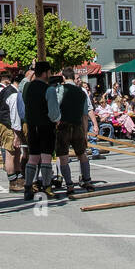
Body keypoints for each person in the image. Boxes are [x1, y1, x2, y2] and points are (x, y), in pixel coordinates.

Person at [47, 66, 97, 197]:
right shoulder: (82, 92)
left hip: (63, 126)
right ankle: (87, 180)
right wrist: (85, 132)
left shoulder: (60, 90)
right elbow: (85, 114)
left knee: (63, 156)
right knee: (82, 154)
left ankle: (69, 185)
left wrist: (55, 122)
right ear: (73, 76)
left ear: (63, 77)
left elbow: (55, 108)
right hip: (78, 125)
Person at [21, 60, 59, 202]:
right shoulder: (49, 89)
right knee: (46, 156)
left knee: (33, 156)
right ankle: (47, 187)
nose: (50, 74)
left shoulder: (28, 87)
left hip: (31, 125)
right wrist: (57, 119)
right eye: (49, 72)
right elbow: (54, 113)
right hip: (45, 125)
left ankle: (28, 187)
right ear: (45, 73)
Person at [0, 70, 25, 191]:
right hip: (7, 125)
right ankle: (13, 182)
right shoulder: (13, 94)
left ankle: (19, 177)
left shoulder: (7, 90)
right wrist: (17, 134)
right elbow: (14, 116)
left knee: (16, 152)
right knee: (10, 153)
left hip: (3, 122)